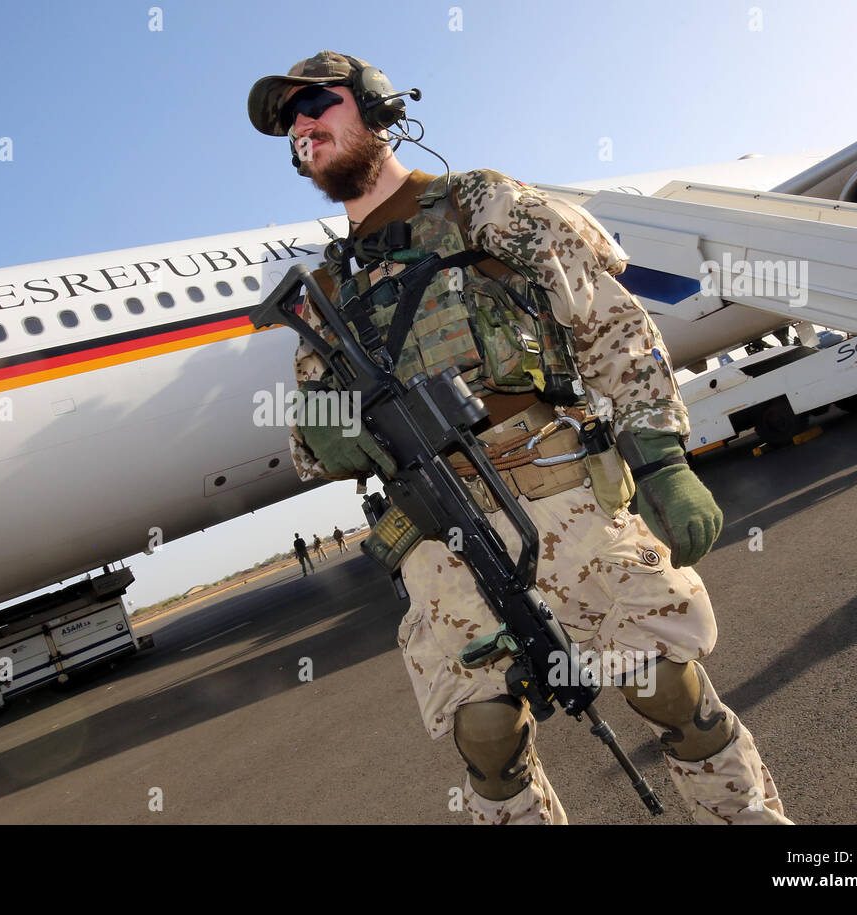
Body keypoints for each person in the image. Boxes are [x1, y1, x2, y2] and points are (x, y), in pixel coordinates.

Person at [249, 52, 791, 824]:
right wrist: (335, 434)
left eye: (314, 103)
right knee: (487, 736)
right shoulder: (326, 293)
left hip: (557, 485)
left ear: (373, 108)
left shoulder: (480, 202)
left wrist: (662, 455)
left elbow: (607, 318)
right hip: (440, 532)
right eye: (288, 123)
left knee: (665, 688)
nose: (301, 126)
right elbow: (309, 433)